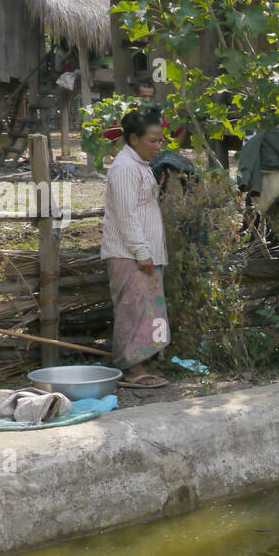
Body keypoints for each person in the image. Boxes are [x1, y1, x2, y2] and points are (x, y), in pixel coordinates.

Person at [101, 106, 170, 388]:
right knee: (133, 311)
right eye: (153, 140)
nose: (159, 145)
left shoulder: (139, 164)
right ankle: (132, 371)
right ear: (133, 139)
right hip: (130, 255)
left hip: (143, 254)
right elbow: (125, 214)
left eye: (160, 140)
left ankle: (141, 366)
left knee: (148, 311)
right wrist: (142, 253)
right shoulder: (125, 168)